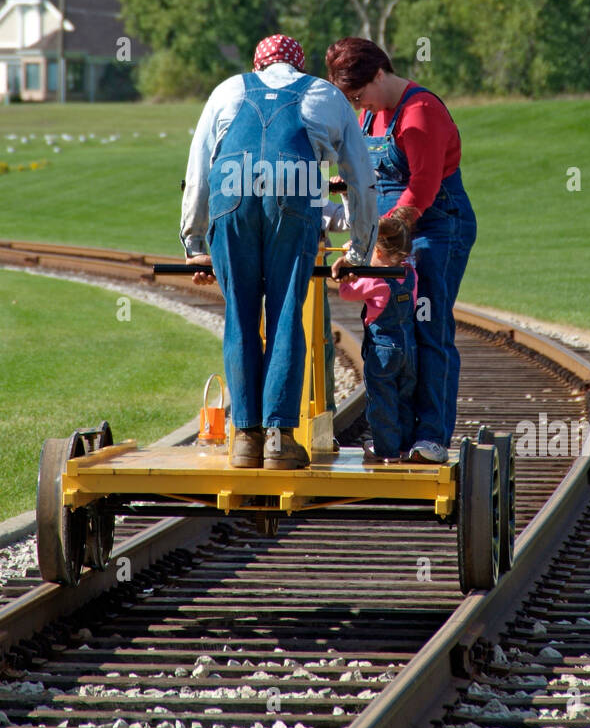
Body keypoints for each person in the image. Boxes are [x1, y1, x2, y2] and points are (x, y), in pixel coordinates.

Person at [181, 34, 378, 470]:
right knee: (287, 311)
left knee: (240, 315)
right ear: (300, 65)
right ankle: (279, 438)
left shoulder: (227, 91)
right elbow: (361, 178)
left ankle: (244, 439)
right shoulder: (324, 95)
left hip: (231, 199)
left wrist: (195, 245)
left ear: (257, 66)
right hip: (295, 203)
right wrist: (360, 248)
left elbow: (198, 171)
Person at [326, 37, 477, 463]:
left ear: (379, 73)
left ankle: (431, 437)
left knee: (429, 330)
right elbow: (370, 174)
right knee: (395, 330)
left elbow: (421, 189)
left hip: (435, 228)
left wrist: (381, 245)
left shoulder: (419, 113)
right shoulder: (371, 115)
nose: (360, 104)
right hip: (394, 232)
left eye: (359, 94)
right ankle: (398, 438)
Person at [337, 216, 418, 463]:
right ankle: (405, 446)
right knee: (404, 398)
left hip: (383, 350)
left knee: (381, 399)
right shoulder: (411, 273)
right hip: (409, 349)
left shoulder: (376, 280)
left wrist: (350, 262)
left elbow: (346, 292)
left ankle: (386, 449)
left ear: (379, 252)